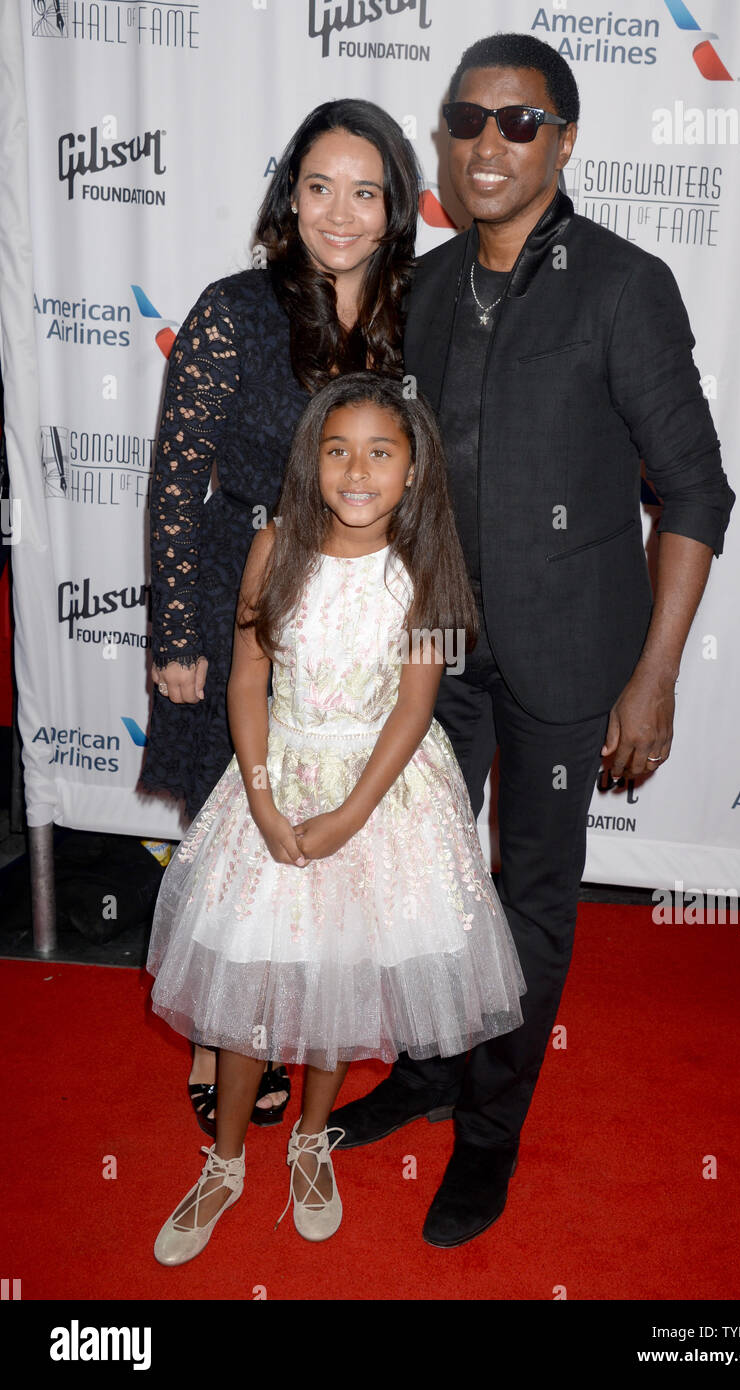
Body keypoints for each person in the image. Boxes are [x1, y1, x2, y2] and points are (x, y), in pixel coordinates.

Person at [330, 33, 736, 1248]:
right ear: (444, 139)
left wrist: (654, 676)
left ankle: (492, 1133)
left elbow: (697, 493)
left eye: (520, 121)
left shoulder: (624, 285)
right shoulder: (434, 287)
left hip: (572, 659)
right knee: (423, 879)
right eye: (468, 120)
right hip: (443, 652)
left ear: (564, 137)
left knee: (532, 899)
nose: (489, 142)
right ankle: (432, 1068)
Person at [145, 373, 526, 1264]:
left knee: (338, 981)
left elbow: (414, 707)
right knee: (251, 987)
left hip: (381, 802)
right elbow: (248, 678)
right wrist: (266, 794)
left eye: (380, 453)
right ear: (312, 458)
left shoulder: (429, 566)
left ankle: (313, 1139)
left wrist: (351, 816)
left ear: (412, 466)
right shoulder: (273, 548)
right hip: (275, 781)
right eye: (338, 450)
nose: (358, 471)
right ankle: (226, 1161)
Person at [139, 99, 421, 1134]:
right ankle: (223, 1040)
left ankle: (291, 1025)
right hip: (239, 593)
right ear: (287, 196)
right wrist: (177, 635)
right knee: (238, 841)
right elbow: (176, 480)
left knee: (324, 835)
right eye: (317, 186)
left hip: (357, 609)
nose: (338, 212)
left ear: (394, 207)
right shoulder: (232, 310)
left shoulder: (412, 314)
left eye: (364, 190)